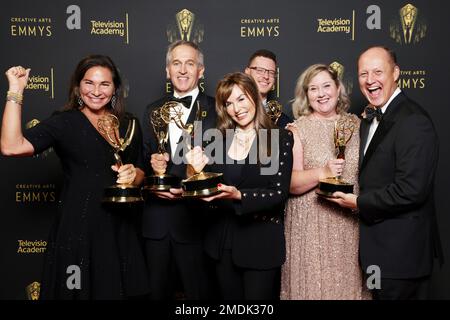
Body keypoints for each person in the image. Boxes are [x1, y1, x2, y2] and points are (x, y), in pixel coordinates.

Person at [1, 55, 149, 299]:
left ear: (115, 89)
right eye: (89, 83)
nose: (96, 91)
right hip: (79, 230)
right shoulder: (64, 121)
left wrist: (133, 175)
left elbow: (142, 172)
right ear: (78, 86)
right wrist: (15, 91)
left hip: (120, 229)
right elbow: (11, 146)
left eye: (105, 84)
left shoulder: (129, 123)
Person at [330, 46, 443, 300]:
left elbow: (411, 190)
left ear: (396, 73)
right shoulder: (370, 118)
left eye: (378, 72)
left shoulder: (413, 120)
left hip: (401, 257)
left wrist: (357, 202)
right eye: (363, 74)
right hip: (379, 254)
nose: (370, 81)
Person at [186, 72, 293, 299]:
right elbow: (203, 188)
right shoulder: (218, 139)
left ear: (254, 96)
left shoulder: (274, 138)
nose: (236, 108)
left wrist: (238, 195)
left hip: (260, 244)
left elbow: (277, 193)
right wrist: (194, 171)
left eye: (241, 99)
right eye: (229, 103)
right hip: (222, 244)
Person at [280, 64, 369, 300]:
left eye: (327, 86)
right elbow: (291, 183)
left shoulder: (359, 127)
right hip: (310, 227)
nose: (321, 94)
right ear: (306, 95)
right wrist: (323, 171)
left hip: (349, 226)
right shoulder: (297, 129)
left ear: (338, 88)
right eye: (313, 89)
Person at [141, 40, 216, 299]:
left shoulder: (217, 110)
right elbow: (142, 167)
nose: (182, 70)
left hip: (196, 223)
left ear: (201, 71)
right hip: (157, 224)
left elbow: (227, 164)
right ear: (167, 70)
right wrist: (153, 177)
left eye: (190, 63)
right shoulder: (152, 111)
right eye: (176, 63)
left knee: (200, 296)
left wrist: (191, 187)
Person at [244, 49, 291, 128]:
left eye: (271, 72)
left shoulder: (282, 121)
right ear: (247, 72)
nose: (266, 76)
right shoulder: (229, 111)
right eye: (260, 70)